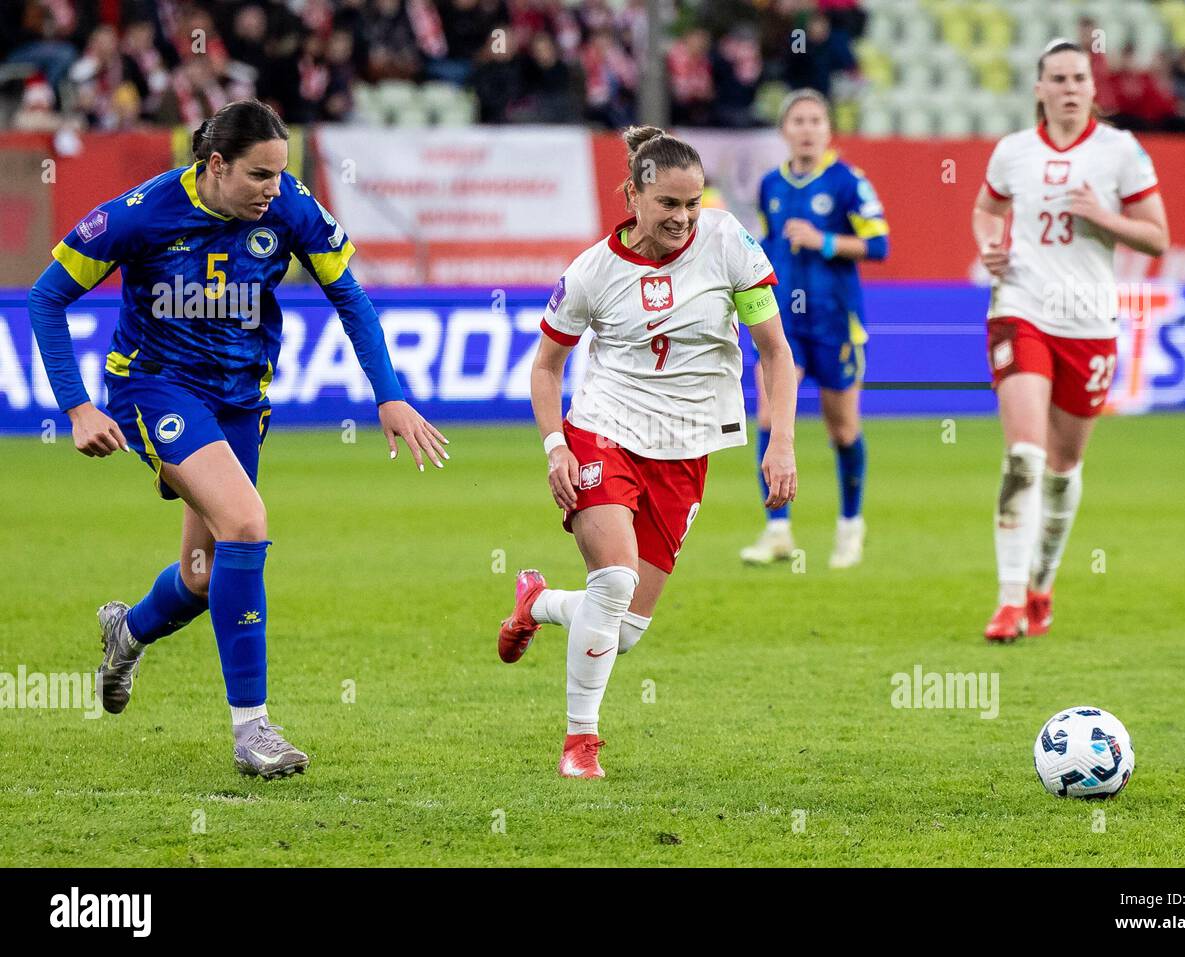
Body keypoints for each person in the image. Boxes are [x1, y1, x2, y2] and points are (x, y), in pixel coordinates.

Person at [26, 99, 448, 776]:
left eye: (282, 174)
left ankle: (126, 632)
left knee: (201, 576)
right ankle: (253, 731)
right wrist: (76, 407)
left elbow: (351, 298)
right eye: (260, 175)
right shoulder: (142, 212)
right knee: (247, 525)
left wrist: (389, 393)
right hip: (154, 388)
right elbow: (46, 297)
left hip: (239, 402)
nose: (274, 190)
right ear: (216, 165)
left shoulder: (289, 208)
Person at [496, 126, 798, 778]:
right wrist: (556, 448)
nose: (683, 218)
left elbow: (775, 350)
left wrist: (781, 443)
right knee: (615, 579)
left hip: (687, 449)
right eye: (668, 204)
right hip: (604, 432)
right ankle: (581, 743)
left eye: (692, 203)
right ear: (633, 194)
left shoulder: (727, 242)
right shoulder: (591, 272)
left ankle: (539, 602)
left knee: (625, 629)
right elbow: (545, 368)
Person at [971, 40, 1168, 641]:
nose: (1068, 88)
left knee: (1062, 467)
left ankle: (1041, 582)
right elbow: (985, 209)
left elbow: (1158, 238)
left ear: (1092, 86)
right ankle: (1008, 601)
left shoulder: (1121, 153)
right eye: (1056, 78)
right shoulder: (1013, 152)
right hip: (1021, 310)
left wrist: (1103, 216)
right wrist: (990, 247)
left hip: (1088, 322)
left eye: (1078, 77)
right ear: (1039, 88)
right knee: (1025, 456)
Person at [741, 88, 889, 569]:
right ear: (785, 131)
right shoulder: (770, 185)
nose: (806, 129)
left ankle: (850, 526)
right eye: (798, 121)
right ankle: (778, 529)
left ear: (828, 130)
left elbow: (880, 244)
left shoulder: (848, 183)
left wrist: (822, 239)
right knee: (769, 416)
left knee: (842, 428)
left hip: (835, 322)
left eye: (815, 121)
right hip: (783, 325)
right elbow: (767, 242)